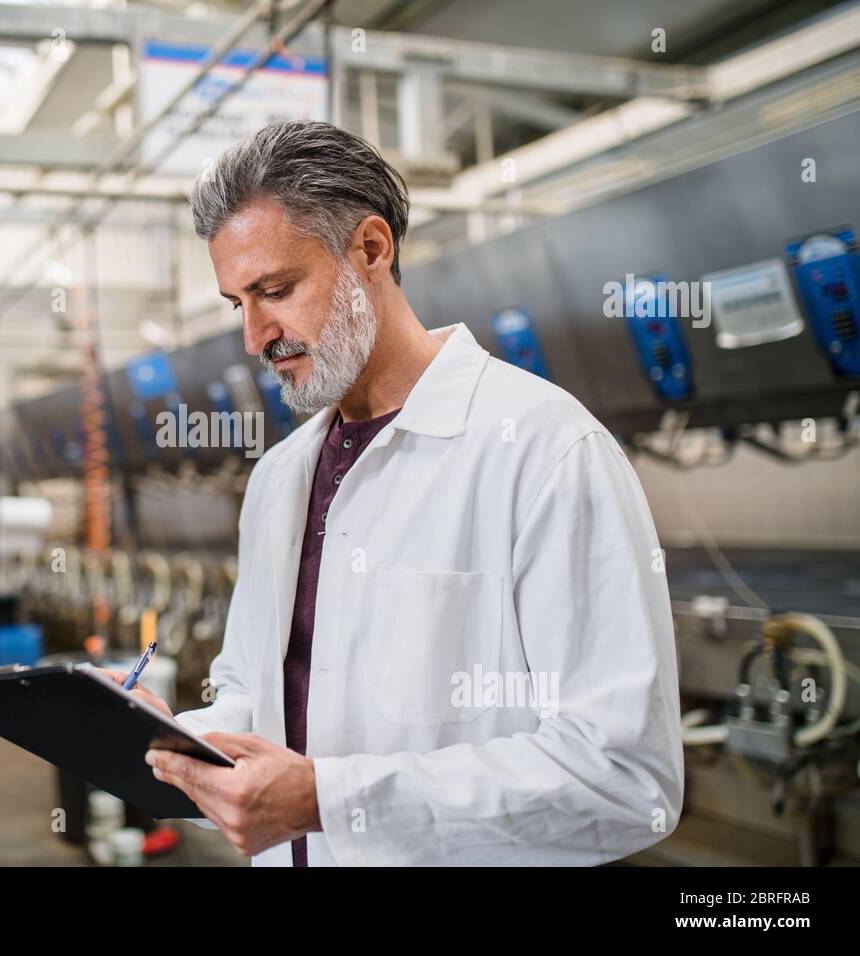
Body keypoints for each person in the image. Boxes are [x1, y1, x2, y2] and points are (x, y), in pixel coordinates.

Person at [102, 120, 683, 866]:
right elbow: (261, 702)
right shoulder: (280, 479)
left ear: (371, 250)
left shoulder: (543, 452)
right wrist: (171, 741)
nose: (254, 336)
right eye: (235, 303)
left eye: (275, 290)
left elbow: (626, 777)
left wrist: (329, 799)